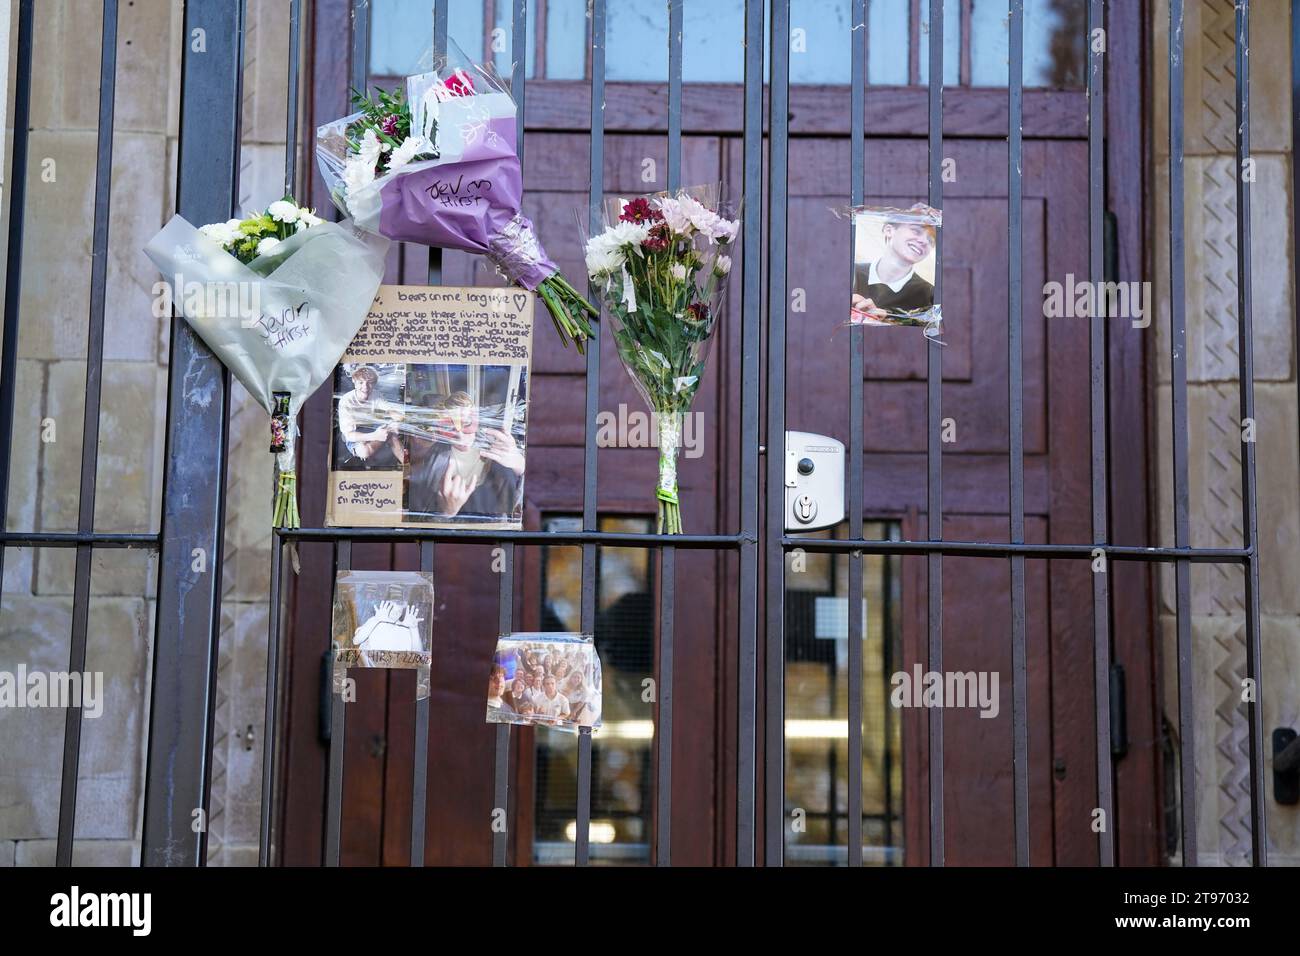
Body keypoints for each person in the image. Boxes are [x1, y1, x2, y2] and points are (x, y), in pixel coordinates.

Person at [405, 391, 524, 520]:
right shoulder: (433, 459)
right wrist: (446, 513)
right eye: (451, 428)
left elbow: (521, 511)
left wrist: (521, 467)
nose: (460, 436)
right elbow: (419, 519)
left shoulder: (499, 452)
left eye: (466, 423)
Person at [851, 208, 937, 323]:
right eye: (916, 231)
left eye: (930, 240)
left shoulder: (929, 296)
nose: (924, 242)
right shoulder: (850, 272)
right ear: (889, 230)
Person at [337, 366, 407, 464]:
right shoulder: (346, 401)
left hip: (371, 427)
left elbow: (390, 409)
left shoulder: (376, 394)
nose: (365, 387)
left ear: (374, 383)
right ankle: (387, 434)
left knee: (394, 436)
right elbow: (349, 435)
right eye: (361, 382)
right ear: (354, 381)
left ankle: (407, 467)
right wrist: (376, 435)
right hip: (355, 432)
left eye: (369, 383)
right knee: (364, 451)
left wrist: (398, 417)